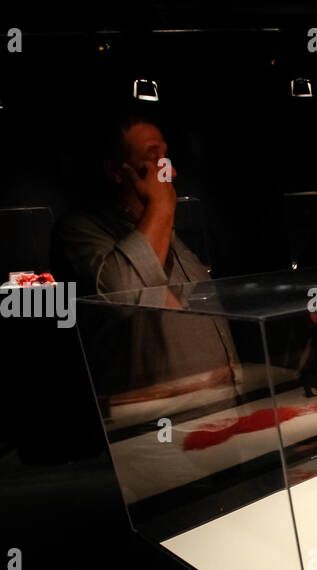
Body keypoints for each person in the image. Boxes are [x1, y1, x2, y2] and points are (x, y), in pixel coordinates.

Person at [53, 109, 241, 406]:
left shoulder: (172, 237)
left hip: (217, 410)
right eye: (154, 157)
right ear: (116, 171)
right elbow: (124, 294)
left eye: (167, 157)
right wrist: (160, 206)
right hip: (156, 424)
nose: (170, 170)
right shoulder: (81, 231)